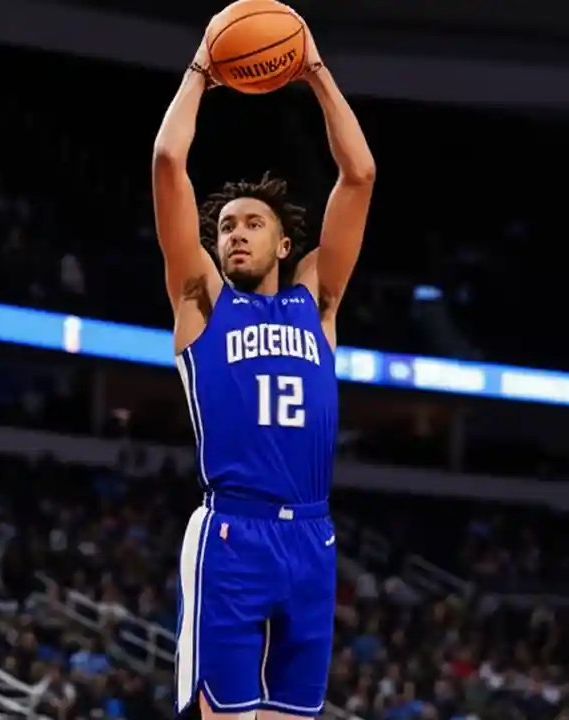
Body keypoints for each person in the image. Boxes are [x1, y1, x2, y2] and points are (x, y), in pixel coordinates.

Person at [151, 13, 375, 720]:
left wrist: (313, 69)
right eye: (224, 228)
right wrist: (199, 69)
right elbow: (167, 164)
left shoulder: (320, 301)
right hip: (233, 532)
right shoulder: (202, 302)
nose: (233, 234)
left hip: (313, 535)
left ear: (285, 244)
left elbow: (360, 173)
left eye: (251, 223)